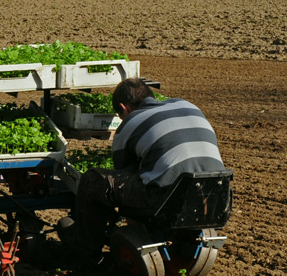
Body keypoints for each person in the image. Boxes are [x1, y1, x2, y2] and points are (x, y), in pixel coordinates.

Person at [63, 78, 226, 260]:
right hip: (213, 194)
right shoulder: (187, 105)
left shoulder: (131, 122)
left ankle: (85, 250)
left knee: (93, 179)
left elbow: (124, 172)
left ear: (124, 108)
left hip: (165, 199)